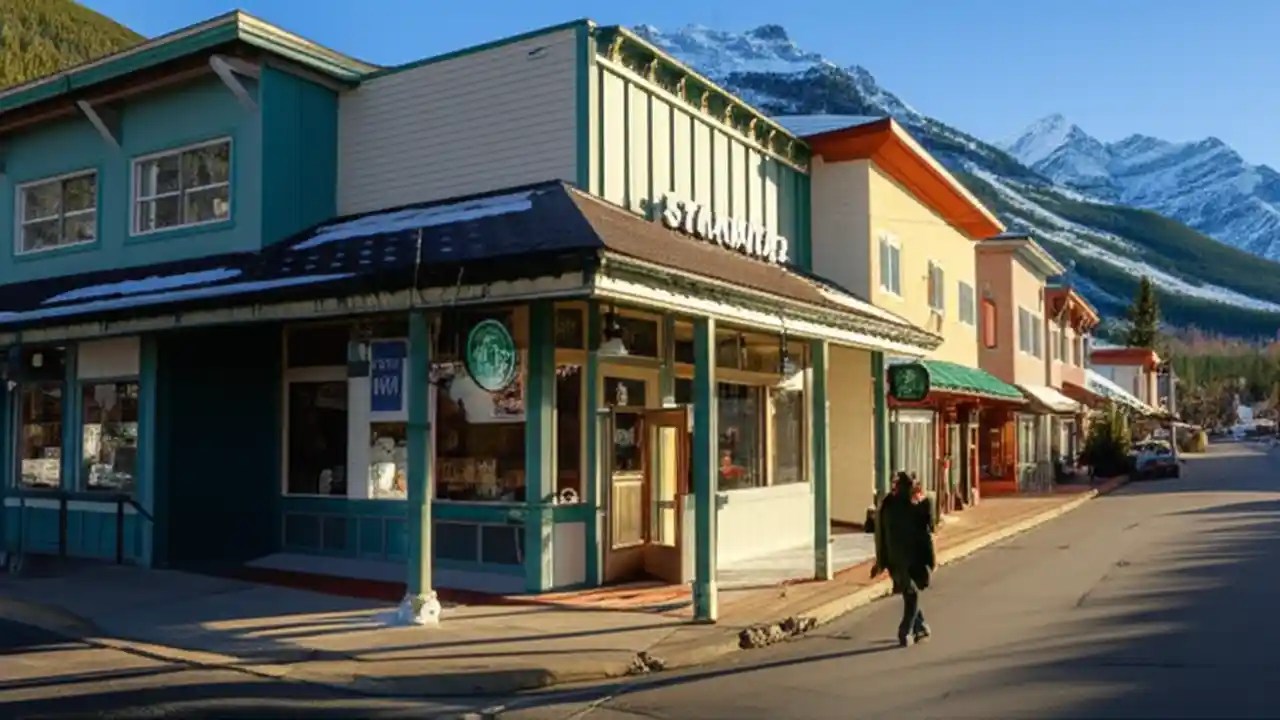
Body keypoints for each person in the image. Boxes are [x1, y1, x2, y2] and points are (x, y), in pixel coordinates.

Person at [872, 471, 937, 647]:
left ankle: (920, 626)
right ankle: (905, 631)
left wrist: (879, 561)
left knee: (910, 595)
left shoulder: (892, 506)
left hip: (903, 561)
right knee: (912, 594)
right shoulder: (901, 507)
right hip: (902, 561)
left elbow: (928, 527)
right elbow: (929, 525)